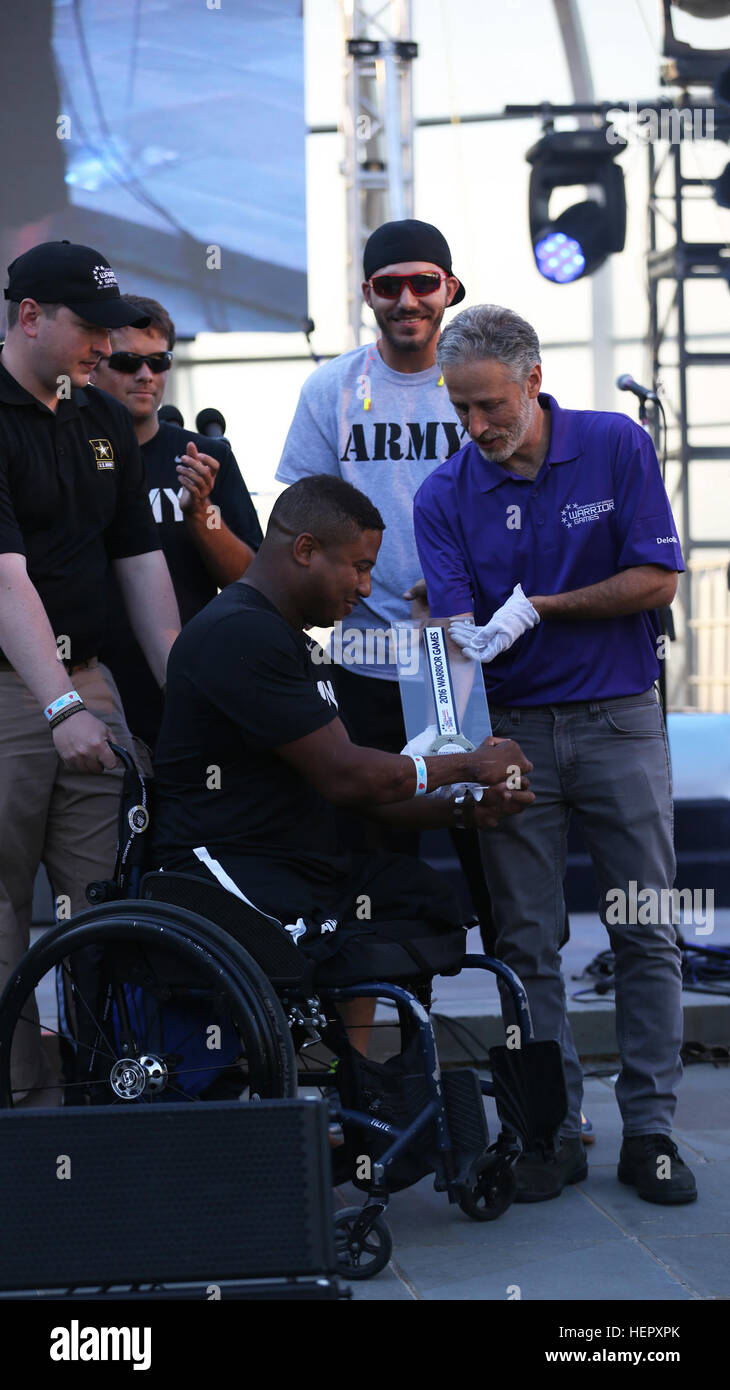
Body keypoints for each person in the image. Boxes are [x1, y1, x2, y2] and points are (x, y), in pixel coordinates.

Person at [413, 303, 696, 1206]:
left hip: (620, 719)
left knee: (644, 927)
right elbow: (455, 629)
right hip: (516, 735)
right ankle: (553, 1127)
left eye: (491, 404)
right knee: (527, 941)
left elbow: (657, 577)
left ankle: (650, 1130)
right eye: (461, 409)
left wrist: (542, 603)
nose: (477, 426)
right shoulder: (444, 493)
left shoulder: (614, 445)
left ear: (534, 380)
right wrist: (451, 676)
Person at [151, 475, 535, 1051]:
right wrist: (469, 767)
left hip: (298, 860)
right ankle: (320, 1078)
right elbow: (348, 774)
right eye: (357, 567)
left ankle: (356, 1080)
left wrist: (463, 812)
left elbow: (357, 793)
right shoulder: (239, 633)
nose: (365, 586)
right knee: (328, 935)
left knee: (423, 898)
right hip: (224, 864)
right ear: (305, 550)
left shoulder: (299, 643)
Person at [275, 218, 496, 946]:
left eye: (423, 282)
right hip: (368, 656)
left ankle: (527, 1036)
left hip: (474, 650)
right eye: (389, 285)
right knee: (369, 859)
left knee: (494, 851)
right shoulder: (331, 388)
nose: (407, 299)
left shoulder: (478, 385)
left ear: (451, 289)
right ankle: (379, 1049)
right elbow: (301, 521)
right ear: (367, 293)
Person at [0, 240, 180, 1104]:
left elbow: (140, 566)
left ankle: (109, 1099)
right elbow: (4, 578)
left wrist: (184, 690)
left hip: (88, 680)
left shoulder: (103, 419)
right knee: (2, 912)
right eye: (89, 327)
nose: (106, 348)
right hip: (15, 689)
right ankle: (25, 1116)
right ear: (29, 317)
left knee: (102, 902)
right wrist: (62, 703)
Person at [92, 295, 263, 751]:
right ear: (94, 363)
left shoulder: (206, 456)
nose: (146, 376)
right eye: (127, 361)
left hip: (188, 678)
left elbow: (251, 580)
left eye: (158, 361)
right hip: (93, 682)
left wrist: (202, 513)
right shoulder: (69, 450)